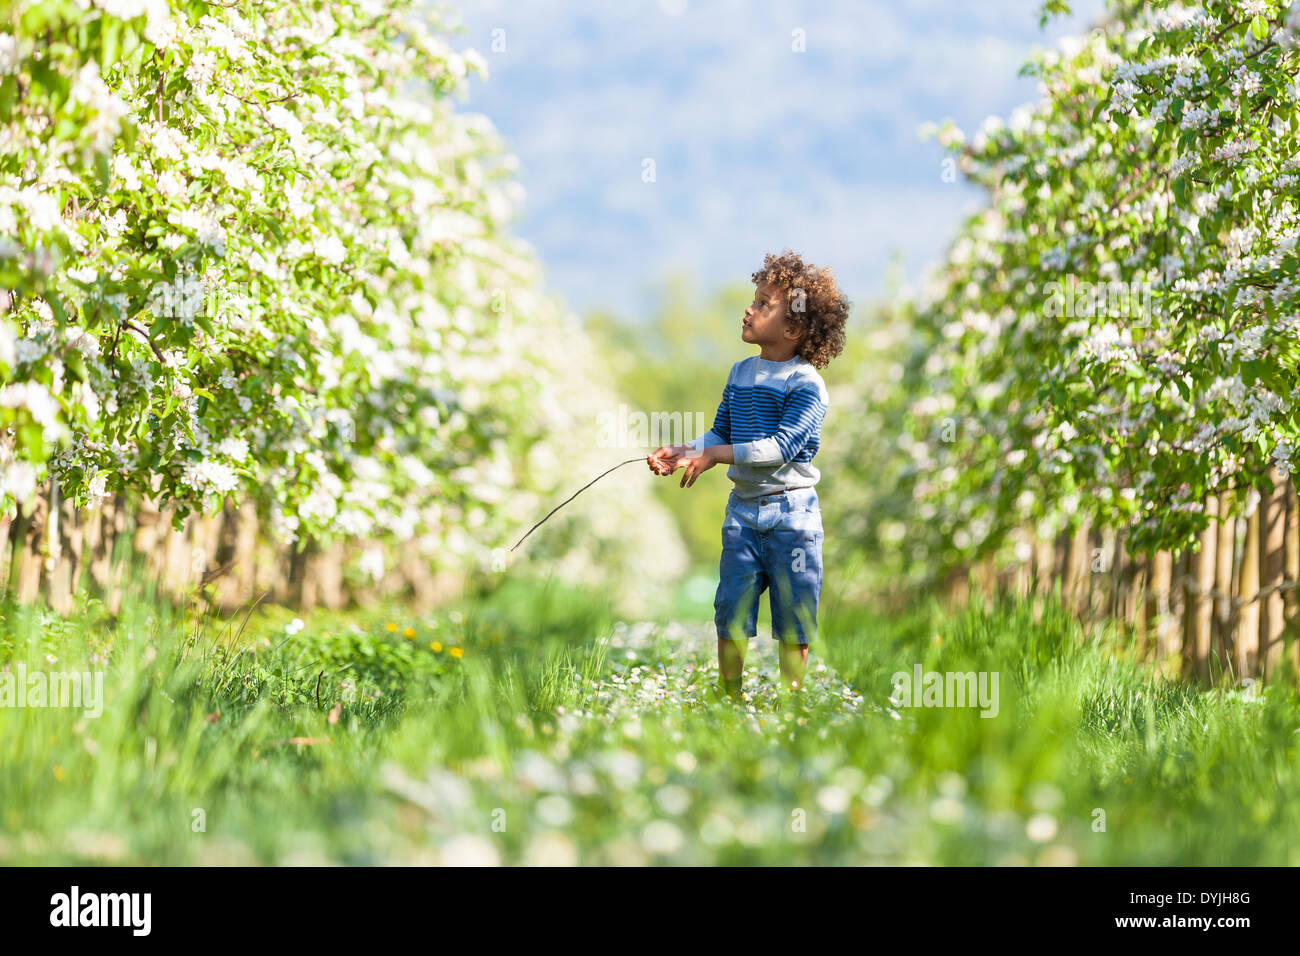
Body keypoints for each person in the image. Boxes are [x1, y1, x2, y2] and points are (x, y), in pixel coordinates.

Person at [649, 250, 849, 700]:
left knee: (793, 617)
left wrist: (717, 455)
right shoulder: (740, 374)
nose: (749, 309)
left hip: (792, 518)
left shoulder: (807, 385)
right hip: (743, 515)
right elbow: (722, 430)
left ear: (793, 328)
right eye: (754, 300)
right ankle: (729, 697)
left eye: (763, 304)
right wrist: (685, 450)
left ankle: (792, 701)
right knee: (731, 609)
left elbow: (781, 447)